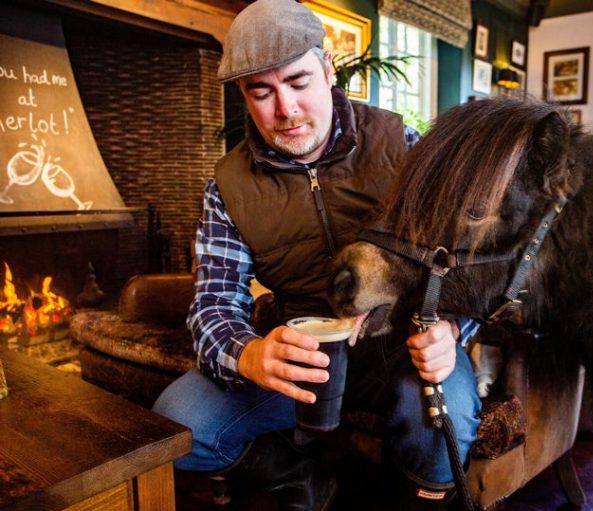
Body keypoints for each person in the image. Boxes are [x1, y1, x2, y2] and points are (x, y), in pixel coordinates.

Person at [152, 1, 480, 509]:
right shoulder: (228, 187)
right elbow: (212, 303)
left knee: (446, 423)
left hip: (404, 348)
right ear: (243, 95)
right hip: (302, 358)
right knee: (177, 423)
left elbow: (466, 263)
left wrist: (454, 329)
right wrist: (249, 354)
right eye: (261, 92)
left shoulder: (405, 146)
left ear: (328, 69)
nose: (285, 109)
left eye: (298, 81)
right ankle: (302, 481)